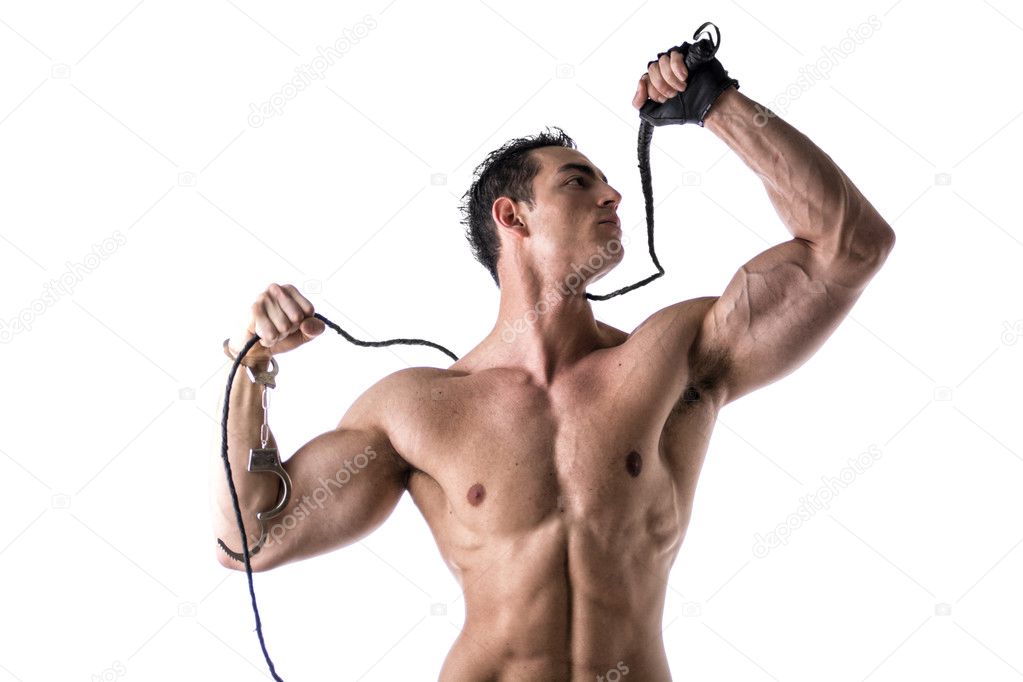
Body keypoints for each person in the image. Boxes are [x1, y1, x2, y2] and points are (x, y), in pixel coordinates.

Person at [212, 39, 895, 680]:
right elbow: (250, 541)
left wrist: (716, 103)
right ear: (512, 218)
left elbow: (851, 248)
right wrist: (251, 369)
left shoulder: (675, 356)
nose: (612, 195)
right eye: (577, 182)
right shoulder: (415, 408)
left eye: (604, 182)